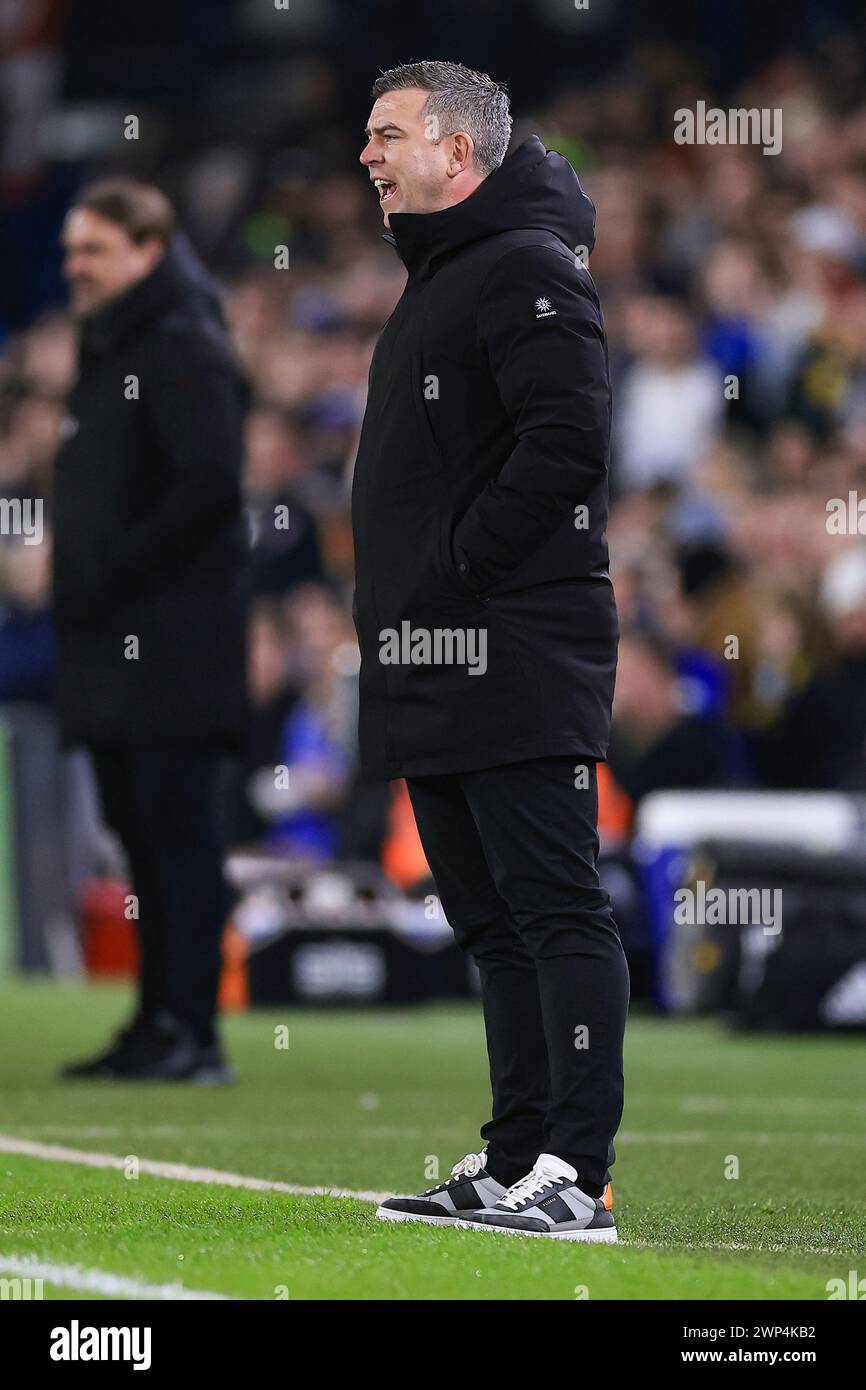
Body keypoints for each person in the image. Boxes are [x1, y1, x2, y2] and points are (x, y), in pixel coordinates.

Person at [353, 61, 628, 1241]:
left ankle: (576, 1171)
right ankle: (517, 1152)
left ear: (458, 152)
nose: (366, 157)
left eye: (386, 136)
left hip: (514, 640)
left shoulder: (518, 262)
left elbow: (570, 438)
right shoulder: (452, 269)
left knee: (554, 905)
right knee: (490, 920)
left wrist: (461, 565)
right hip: (438, 648)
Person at [54, 179, 249, 1082]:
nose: (75, 267)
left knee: (180, 838)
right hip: (120, 642)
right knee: (142, 839)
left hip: (172, 645)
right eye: (70, 250)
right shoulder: (122, 341)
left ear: (146, 247)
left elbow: (209, 485)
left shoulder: (181, 344)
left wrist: (108, 566)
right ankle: (156, 1019)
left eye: (93, 249)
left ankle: (193, 1031)